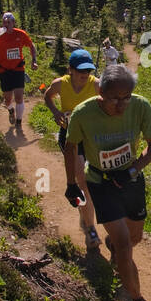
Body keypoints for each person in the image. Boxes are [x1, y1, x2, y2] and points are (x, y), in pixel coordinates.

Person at [63, 63, 151, 301]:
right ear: (101, 94)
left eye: (126, 97)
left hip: (130, 181)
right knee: (126, 245)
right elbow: (70, 147)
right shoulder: (83, 114)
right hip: (100, 182)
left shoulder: (140, 106)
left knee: (134, 238)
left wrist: (132, 170)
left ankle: (115, 248)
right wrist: (72, 184)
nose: (122, 104)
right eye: (115, 98)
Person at [43, 49, 102, 250]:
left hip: (91, 137)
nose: (85, 74)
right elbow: (47, 96)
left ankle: (85, 219)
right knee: (82, 180)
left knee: (91, 183)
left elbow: (109, 105)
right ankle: (91, 229)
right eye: (81, 70)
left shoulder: (96, 85)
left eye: (88, 70)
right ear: (71, 70)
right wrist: (56, 112)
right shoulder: (61, 84)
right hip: (69, 137)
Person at [0, 13, 37, 134]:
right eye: (4, 22)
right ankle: (11, 110)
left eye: (8, 22)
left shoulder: (21, 34)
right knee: (8, 100)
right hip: (4, 71)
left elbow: (31, 45)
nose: (6, 25)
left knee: (19, 97)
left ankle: (19, 121)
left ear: (13, 23)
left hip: (18, 69)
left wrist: (34, 60)